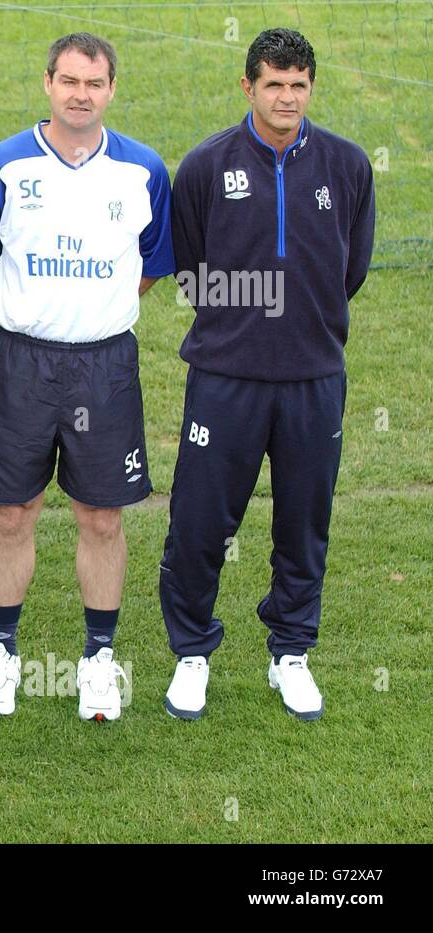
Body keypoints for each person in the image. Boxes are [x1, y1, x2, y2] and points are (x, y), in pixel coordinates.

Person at [160, 28, 375, 721]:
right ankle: (192, 652)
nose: (287, 97)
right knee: (198, 520)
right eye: (273, 84)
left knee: (304, 521)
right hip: (225, 378)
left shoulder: (346, 166)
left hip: (314, 376)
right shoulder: (202, 167)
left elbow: (353, 270)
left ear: (311, 87)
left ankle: (291, 652)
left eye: (299, 85)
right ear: (247, 86)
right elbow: (190, 270)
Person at [0, 33, 174, 721]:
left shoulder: (143, 170)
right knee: (12, 510)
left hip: (105, 365)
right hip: (21, 361)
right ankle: (1, 654)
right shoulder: (1, 166)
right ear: (48, 83)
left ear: (112, 89)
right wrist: (41, 312)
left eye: (96, 82)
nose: (81, 93)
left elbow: (147, 266)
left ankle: (99, 660)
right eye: (70, 80)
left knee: (103, 516)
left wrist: (93, 312)